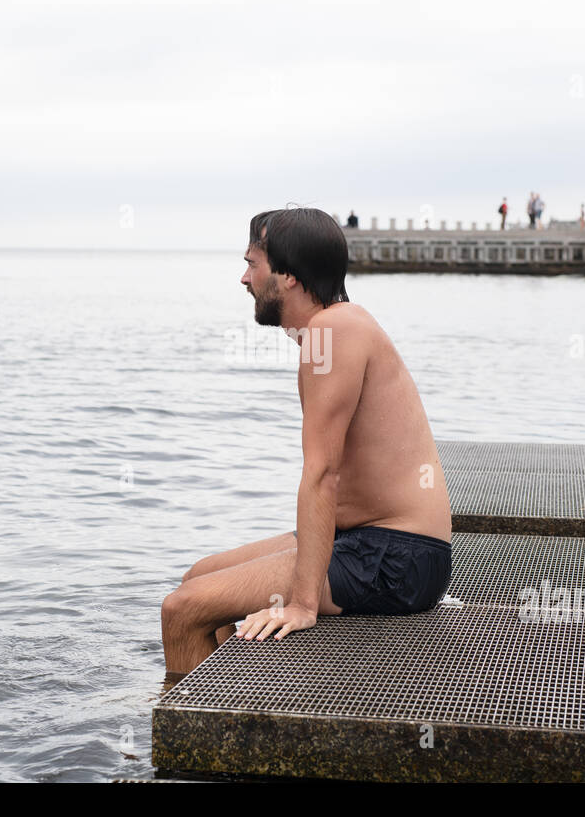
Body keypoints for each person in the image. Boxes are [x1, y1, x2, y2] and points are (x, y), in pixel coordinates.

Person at [160, 208, 453, 676]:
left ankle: (178, 735)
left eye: (252, 264)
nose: (243, 278)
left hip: (398, 557)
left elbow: (322, 473)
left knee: (183, 609)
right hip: (366, 541)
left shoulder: (333, 331)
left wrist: (301, 604)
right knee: (199, 578)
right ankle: (227, 707)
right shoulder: (335, 328)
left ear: (289, 276)